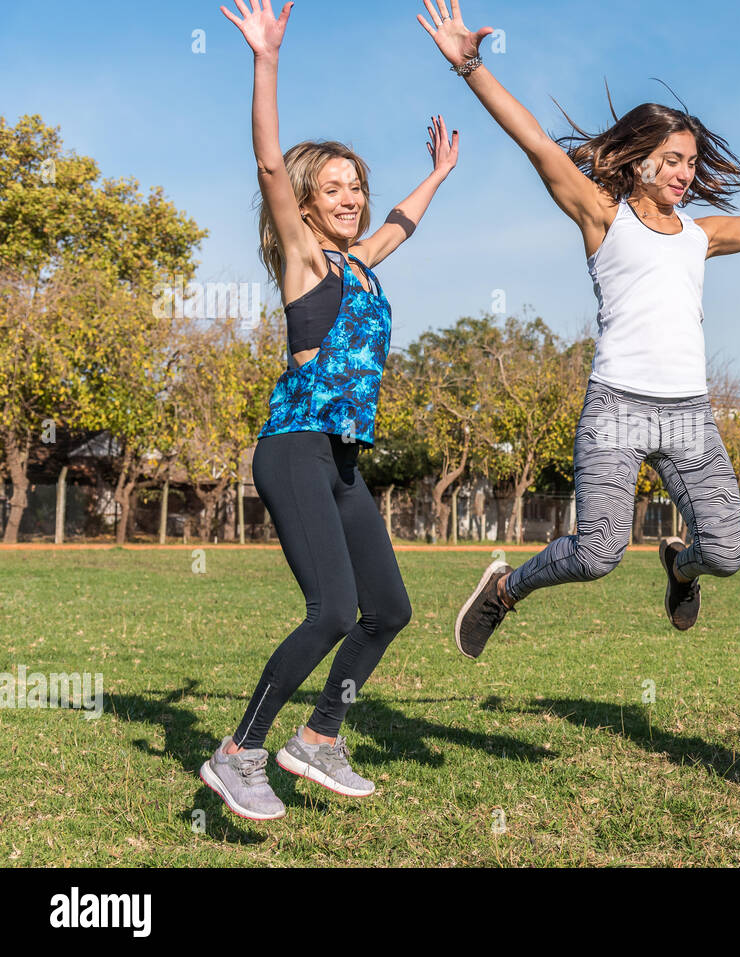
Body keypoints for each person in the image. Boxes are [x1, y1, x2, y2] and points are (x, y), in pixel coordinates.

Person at [416, 0, 740, 659]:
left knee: (726, 552)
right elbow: (538, 144)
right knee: (598, 552)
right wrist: (471, 66)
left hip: (688, 412)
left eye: (691, 160)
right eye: (673, 158)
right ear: (638, 162)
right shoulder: (602, 215)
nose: (686, 172)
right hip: (616, 406)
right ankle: (504, 589)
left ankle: (679, 567)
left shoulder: (702, 236)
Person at [199, 0, 459, 821]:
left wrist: (437, 177)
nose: (350, 198)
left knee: (388, 609)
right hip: (294, 446)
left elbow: (398, 227)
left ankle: (316, 738)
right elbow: (271, 167)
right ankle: (238, 752)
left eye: (357, 186)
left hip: (341, 457)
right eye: (334, 187)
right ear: (308, 204)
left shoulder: (364, 261)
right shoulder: (306, 259)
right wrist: (265, 61)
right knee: (332, 610)